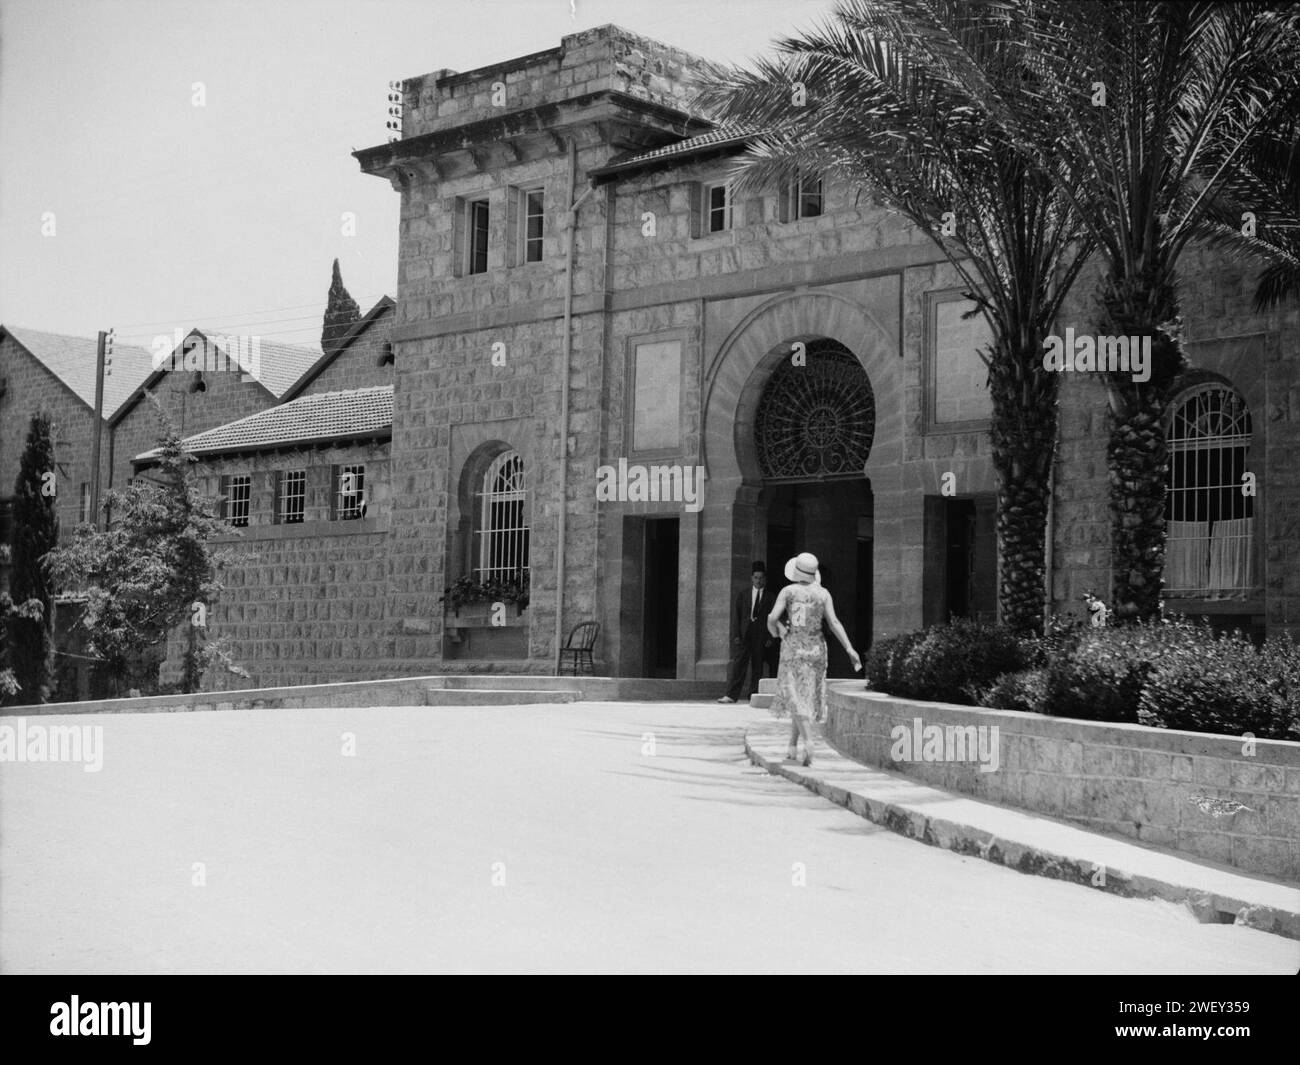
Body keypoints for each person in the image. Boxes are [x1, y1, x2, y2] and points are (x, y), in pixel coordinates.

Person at [767, 552, 861, 766]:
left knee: (794, 696)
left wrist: (777, 630)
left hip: (793, 648)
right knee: (806, 696)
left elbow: (772, 618)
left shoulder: (788, 591)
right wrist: (849, 648)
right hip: (817, 649)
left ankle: (809, 742)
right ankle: (792, 745)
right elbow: (834, 622)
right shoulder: (823, 594)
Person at [717, 561, 779, 704]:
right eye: (756, 577)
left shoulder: (770, 597)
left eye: (761, 578)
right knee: (739, 664)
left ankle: (753, 694)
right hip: (745, 634)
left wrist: (771, 637)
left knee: (757, 666)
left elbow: (774, 618)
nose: (758, 581)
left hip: (761, 635)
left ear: (765, 579)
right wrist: (736, 635)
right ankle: (731, 695)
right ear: (752, 578)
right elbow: (736, 617)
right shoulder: (743, 595)